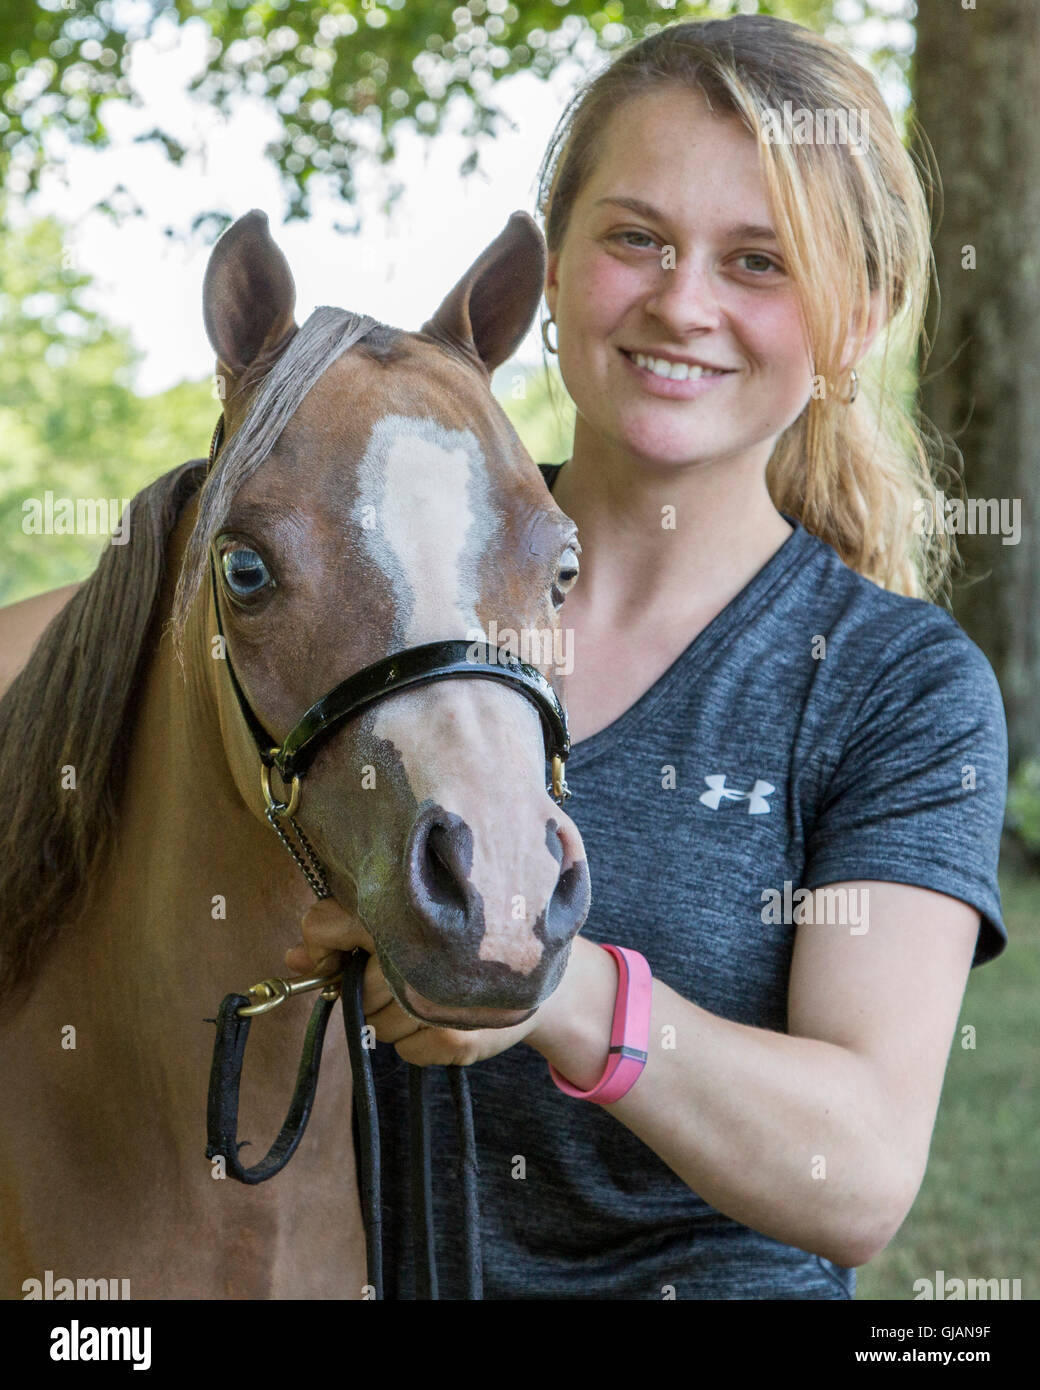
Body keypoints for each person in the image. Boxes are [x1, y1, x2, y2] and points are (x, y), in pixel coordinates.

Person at [286, 13, 1008, 1299]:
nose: (682, 301)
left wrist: (558, 995)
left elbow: (859, 1171)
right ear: (550, 272)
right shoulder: (371, 587)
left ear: (858, 321)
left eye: (757, 262)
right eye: (635, 238)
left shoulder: (896, 687)